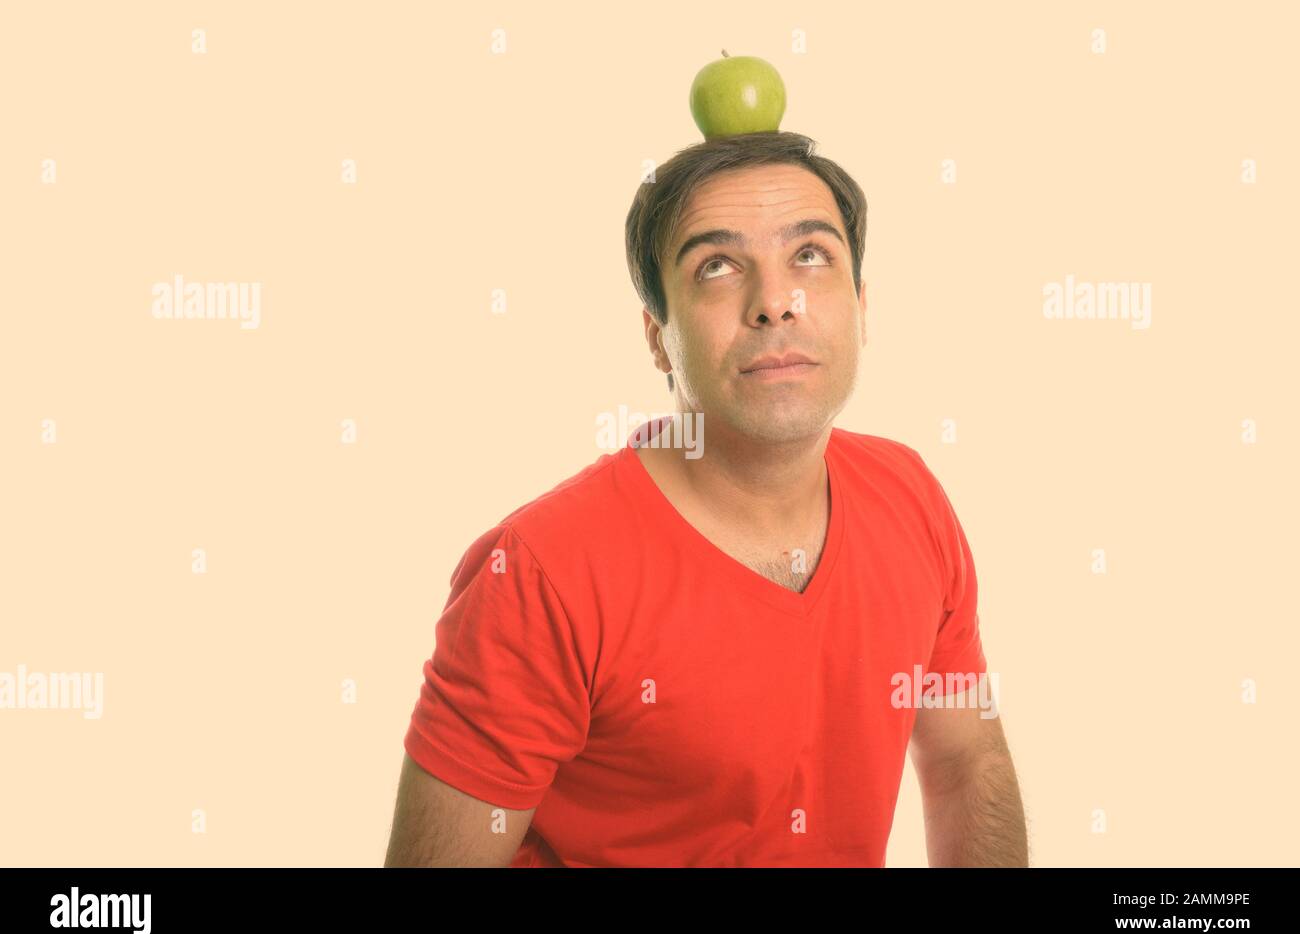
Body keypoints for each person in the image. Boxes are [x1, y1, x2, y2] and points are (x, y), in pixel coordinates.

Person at [385, 131, 1027, 867]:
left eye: (810, 255)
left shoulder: (912, 497)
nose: (775, 303)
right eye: (717, 266)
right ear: (658, 338)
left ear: (860, 304)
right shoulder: (538, 573)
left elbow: (965, 763)